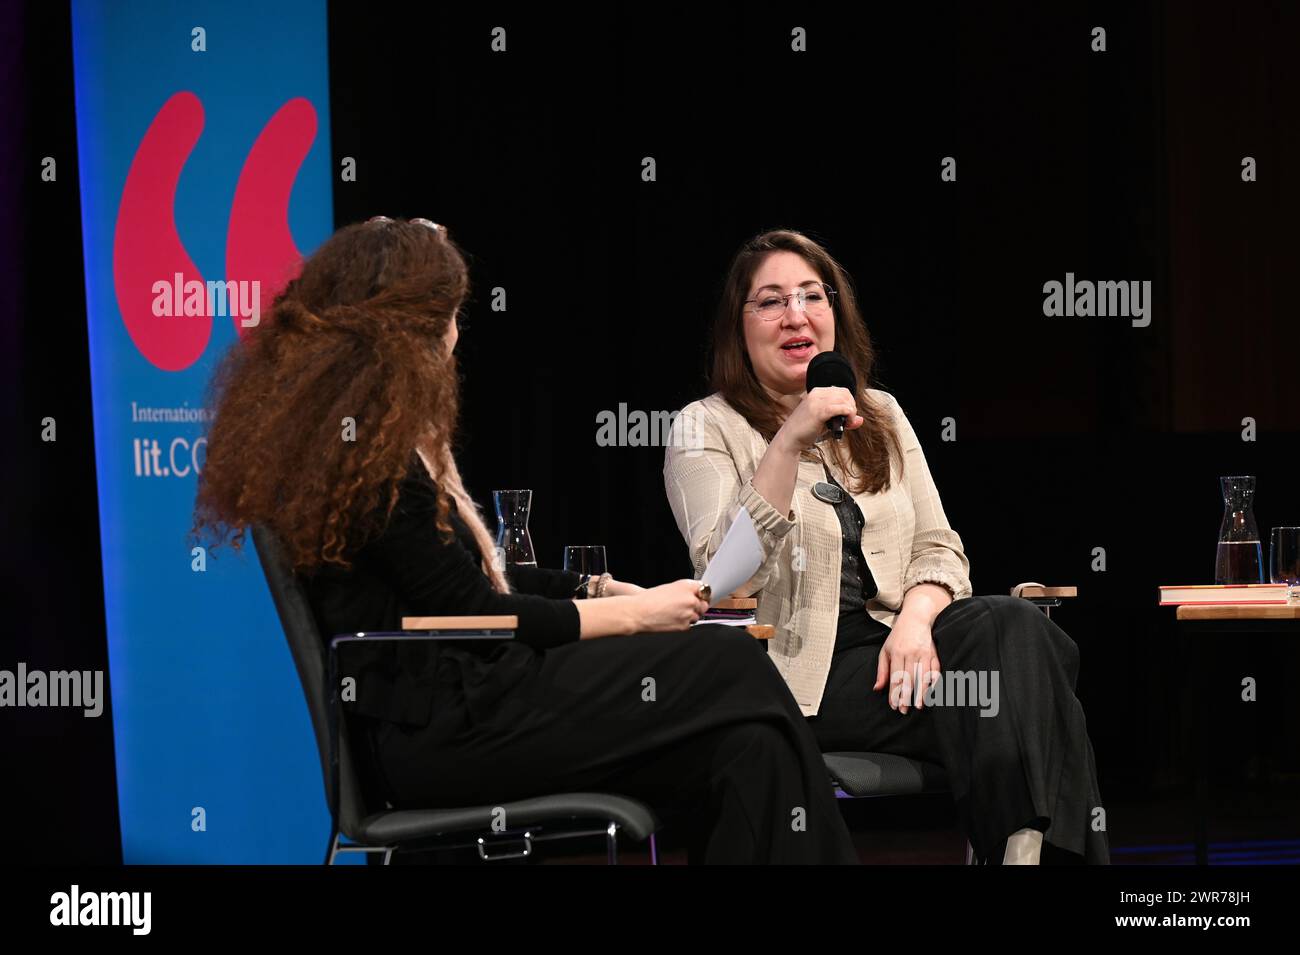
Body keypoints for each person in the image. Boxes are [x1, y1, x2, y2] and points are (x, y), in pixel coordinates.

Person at [191, 216, 858, 864]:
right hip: (446, 732)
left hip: (467, 710)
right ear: (417, 328)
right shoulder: (365, 453)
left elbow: (467, 581)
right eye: (451, 313)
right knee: (728, 660)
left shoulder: (361, 437)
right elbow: (473, 615)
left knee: (746, 745)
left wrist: (591, 587)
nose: (457, 332)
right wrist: (636, 614)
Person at [663, 229, 1110, 864]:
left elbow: (940, 545)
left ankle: (1021, 851)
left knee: (1015, 629)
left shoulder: (884, 415)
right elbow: (723, 576)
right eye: (770, 300)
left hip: (909, 659)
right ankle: (1026, 852)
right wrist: (789, 440)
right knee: (1037, 694)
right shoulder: (703, 426)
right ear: (738, 326)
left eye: (813, 296)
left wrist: (917, 620)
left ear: (836, 316)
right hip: (804, 678)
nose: (797, 315)